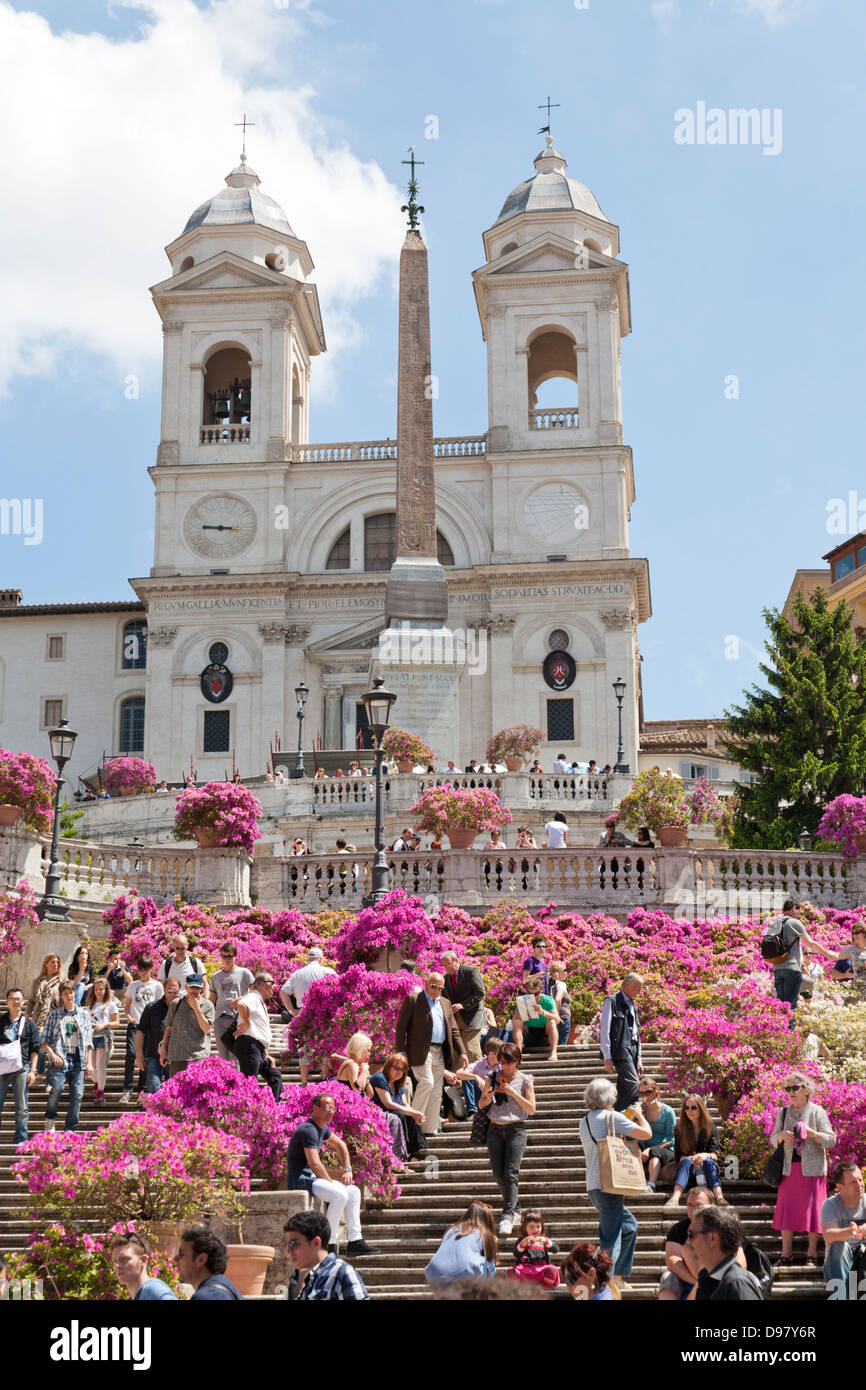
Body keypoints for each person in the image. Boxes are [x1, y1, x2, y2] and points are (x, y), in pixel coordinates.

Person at [579, 1075, 652, 1290]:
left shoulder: (584, 1121)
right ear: (608, 1097)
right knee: (610, 1237)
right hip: (609, 1183)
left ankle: (618, 1276)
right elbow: (646, 1133)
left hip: (593, 1184)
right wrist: (639, 1115)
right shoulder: (612, 1118)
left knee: (629, 1226)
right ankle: (604, 1281)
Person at [286, 1093, 379, 1256]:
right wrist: (330, 1181)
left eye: (333, 1108)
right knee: (340, 1194)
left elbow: (341, 1145)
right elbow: (315, 1164)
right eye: (327, 1108)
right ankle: (329, 1244)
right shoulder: (308, 1130)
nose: (331, 1111)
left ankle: (355, 1241)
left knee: (354, 1192)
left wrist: (348, 1169)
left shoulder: (322, 1129)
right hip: (301, 1179)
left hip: (313, 1178)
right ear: (315, 1109)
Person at [770, 1072, 836, 1267]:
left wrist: (814, 1134)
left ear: (806, 1090)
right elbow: (773, 1139)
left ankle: (812, 1253)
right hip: (789, 1170)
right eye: (787, 1089)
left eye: (794, 1088)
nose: (790, 1092)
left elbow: (831, 1139)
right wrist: (781, 1136)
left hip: (813, 1170)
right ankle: (786, 1254)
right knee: (787, 1211)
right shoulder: (783, 1112)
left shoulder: (817, 1111)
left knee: (815, 1211)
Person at [395, 971, 467, 1136]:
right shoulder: (413, 999)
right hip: (421, 1051)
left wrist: (462, 1052)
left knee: (436, 1090)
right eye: (433, 986)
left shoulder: (446, 1003)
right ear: (426, 983)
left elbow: (454, 1031)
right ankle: (413, 1124)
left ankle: (429, 1129)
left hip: (439, 1050)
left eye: (440, 987)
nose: (436, 990)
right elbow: (401, 1028)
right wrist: (401, 1051)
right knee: (427, 1082)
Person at [479, 1041, 536, 1236]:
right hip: (495, 1129)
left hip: (516, 1129)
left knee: (511, 1173)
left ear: (517, 1061)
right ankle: (516, 1207)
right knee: (497, 1173)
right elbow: (481, 1105)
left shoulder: (525, 1079)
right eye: (503, 1062)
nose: (505, 1066)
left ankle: (508, 1214)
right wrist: (488, 1095)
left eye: (509, 1062)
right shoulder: (492, 1077)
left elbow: (531, 1108)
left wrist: (513, 1093)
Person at [764, 899, 836, 1014]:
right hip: (792, 969)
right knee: (791, 1006)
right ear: (793, 909)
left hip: (777, 968)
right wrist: (827, 953)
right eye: (798, 911)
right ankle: (790, 1031)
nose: (799, 915)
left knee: (781, 1004)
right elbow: (810, 943)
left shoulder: (775, 924)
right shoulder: (794, 923)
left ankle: (780, 1030)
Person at [41, 980, 95, 1132]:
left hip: (78, 1059)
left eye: (71, 993)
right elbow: (44, 1040)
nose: (69, 996)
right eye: (65, 993)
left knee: (77, 1094)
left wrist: (89, 1063)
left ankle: (70, 1127)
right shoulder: (54, 1015)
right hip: (60, 1058)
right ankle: (50, 1118)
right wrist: (52, 1055)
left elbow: (89, 1042)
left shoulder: (84, 1015)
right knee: (57, 1089)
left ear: (75, 993)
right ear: (61, 996)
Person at [284, 1209, 370, 1301]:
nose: (288, 1251)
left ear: (316, 1243)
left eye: (294, 1244)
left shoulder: (342, 1273)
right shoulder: (311, 1279)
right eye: (288, 1244)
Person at [280, 947, 336, 1082]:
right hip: (324, 1014)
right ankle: (324, 1080)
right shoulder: (328, 971)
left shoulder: (298, 974)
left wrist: (291, 1010)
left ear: (308, 958)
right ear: (321, 959)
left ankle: (304, 1082)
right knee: (323, 1047)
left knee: (304, 1048)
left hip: (303, 1013)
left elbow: (283, 991)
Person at [691, 1206, 763, 1300]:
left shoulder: (737, 1283)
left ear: (712, 1238)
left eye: (691, 1234)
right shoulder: (707, 1278)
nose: (689, 1241)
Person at [664, 1094, 723, 1209]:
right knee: (686, 1161)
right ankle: (675, 1198)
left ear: (701, 1108)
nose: (689, 1111)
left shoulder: (711, 1128)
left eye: (693, 1108)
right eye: (687, 1108)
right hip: (688, 1172)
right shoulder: (679, 1129)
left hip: (707, 1170)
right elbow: (678, 1157)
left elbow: (715, 1154)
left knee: (709, 1162)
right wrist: (691, 1158)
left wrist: (704, 1155)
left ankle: (720, 1197)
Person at [119, 956, 163, 1104]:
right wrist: (128, 1017)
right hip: (135, 1024)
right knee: (131, 1054)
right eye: (141, 969)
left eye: (146, 969)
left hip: (150, 1027)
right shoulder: (133, 985)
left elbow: (159, 1006)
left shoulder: (157, 986)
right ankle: (127, 1089)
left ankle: (141, 1091)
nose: (143, 972)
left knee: (145, 1057)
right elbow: (128, 1004)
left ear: (151, 969)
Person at [369, 1051, 427, 1160]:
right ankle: (404, 1152)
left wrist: (416, 1115)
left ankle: (416, 1152)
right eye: (396, 1068)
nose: (399, 1072)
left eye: (402, 1070)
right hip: (379, 1114)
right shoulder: (379, 1078)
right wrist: (413, 1113)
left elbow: (405, 1104)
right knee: (399, 1114)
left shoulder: (398, 1083)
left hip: (393, 1114)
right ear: (388, 1067)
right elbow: (388, 1104)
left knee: (409, 1115)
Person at [658, 1187, 715, 1300]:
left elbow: (739, 1261)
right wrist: (699, 1283)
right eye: (690, 1205)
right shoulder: (679, 1229)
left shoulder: (724, 1227)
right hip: (688, 1279)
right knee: (668, 1277)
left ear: (712, 1206)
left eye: (699, 1205)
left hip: (718, 1278)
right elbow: (672, 1261)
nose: (693, 1210)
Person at [821, 1161, 866, 1300]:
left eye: (860, 1179)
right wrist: (849, 1232)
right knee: (838, 1245)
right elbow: (828, 1236)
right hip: (838, 1266)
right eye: (853, 1182)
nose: (859, 1185)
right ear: (840, 1187)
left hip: (863, 1264)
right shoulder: (830, 1205)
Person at [234, 972, 283, 1100]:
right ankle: (248, 1112)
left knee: (275, 1075)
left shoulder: (260, 1001)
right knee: (250, 1083)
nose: (274, 986)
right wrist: (246, 1023)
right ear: (261, 984)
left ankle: (274, 1107)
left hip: (259, 1049)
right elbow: (241, 1004)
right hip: (249, 1045)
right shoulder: (254, 997)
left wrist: (266, 1053)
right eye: (271, 983)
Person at [0, 987, 40, 1142]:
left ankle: (21, 1138)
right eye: (12, 999)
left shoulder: (29, 1024)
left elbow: (34, 1049)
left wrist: (33, 1070)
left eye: (18, 999)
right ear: (7, 1001)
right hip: (2, 1068)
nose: (15, 1002)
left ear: (23, 1002)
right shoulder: (1, 1022)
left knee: (22, 1106)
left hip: (22, 1067)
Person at [425, 1201, 498, 1284]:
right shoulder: (484, 1233)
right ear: (487, 1220)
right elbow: (489, 1263)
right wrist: (493, 1242)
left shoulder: (452, 1230)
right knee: (490, 1265)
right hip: (466, 1275)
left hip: (433, 1274)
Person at [600, 973, 643, 1110]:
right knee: (634, 1084)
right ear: (627, 984)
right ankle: (638, 1109)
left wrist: (639, 1059)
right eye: (637, 987)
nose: (639, 991)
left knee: (624, 1090)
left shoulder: (633, 1006)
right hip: (621, 1049)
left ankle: (618, 1115)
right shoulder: (611, 1001)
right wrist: (607, 1055)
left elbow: (637, 1032)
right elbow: (605, 1029)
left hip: (633, 1049)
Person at [441, 950, 486, 1082]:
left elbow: (480, 993)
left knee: (471, 1050)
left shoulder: (471, 972)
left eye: (448, 964)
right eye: (444, 965)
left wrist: (463, 1005)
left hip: (472, 1018)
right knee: (457, 1051)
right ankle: (457, 1081)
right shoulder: (445, 978)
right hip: (455, 1020)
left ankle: (480, 1079)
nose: (446, 968)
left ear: (456, 961)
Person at [158, 973, 214, 1076]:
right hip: (177, 1057)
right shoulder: (176, 1004)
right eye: (192, 987)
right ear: (186, 987)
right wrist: (164, 1050)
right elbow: (169, 1029)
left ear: (201, 988)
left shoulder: (208, 1005)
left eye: (197, 988)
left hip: (198, 1057)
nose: (195, 990)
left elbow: (206, 1029)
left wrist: (197, 1009)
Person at [210, 943, 254, 1063]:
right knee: (223, 1056)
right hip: (219, 1018)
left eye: (229, 956)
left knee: (236, 1055)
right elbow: (211, 999)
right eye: (224, 956)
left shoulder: (244, 973)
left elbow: (257, 993)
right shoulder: (216, 976)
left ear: (235, 957)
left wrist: (240, 999)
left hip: (237, 1017)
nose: (226, 959)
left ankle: (238, 1081)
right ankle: (228, 1080)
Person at [136, 976, 180, 1094]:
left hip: (175, 1057)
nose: (172, 994)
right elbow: (140, 1031)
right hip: (154, 1056)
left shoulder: (183, 1008)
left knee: (174, 1092)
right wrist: (139, 1054)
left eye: (175, 991)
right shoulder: (152, 1007)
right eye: (169, 991)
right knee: (153, 1089)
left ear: (179, 991)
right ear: (164, 990)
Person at [176, 1225, 244, 1299]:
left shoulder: (205, 1297)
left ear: (201, 1259)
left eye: (181, 1254)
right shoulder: (228, 1288)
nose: (175, 1259)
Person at [109, 1232, 177, 1301]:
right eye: (114, 1261)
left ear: (144, 1260)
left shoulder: (153, 1290)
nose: (117, 1265)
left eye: (124, 1259)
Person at [636, 1075, 676, 1190]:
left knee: (654, 1153)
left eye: (648, 1092)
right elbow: (623, 1116)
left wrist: (649, 1150)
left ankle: (651, 1185)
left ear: (656, 1091)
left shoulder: (668, 1112)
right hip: (643, 1150)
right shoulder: (641, 1109)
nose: (644, 1096)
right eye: (641, 1093)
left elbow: (671, 1140)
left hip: (664, 1150)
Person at [85, 977, 120, 1103]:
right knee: (90, 1066)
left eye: (101, 989)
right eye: (96, 989)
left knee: (100, 1065)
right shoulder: (90, 1006)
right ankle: (97, 1081)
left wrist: (105, 1024)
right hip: (91, 1037)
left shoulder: (111, 1005)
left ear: (106, 990)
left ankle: (100, 1092)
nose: (99, 992)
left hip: (104, 1037)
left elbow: (117, 1022)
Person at [511, 975, 560, 1062]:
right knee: (517, 1022)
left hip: (543, 1034)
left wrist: (543, 1012)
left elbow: (557, 1019)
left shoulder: (548, 1000)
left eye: (535, 994)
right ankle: (518, 1055)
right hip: (528, 1033)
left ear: (541, 991)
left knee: (552, 1022)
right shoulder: (523, 1000)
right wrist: (523, 1014)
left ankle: (553, 1053)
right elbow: (514, 1020)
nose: (533, 996)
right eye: (530, 994)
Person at [507, 1209, 560, 1287]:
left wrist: (546, 1241)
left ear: (542, 1227)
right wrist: (522, 1244)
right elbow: (516, 1254)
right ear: (525, 1228)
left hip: (541, 1270)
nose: (535, 1230)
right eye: (531, 1226)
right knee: (512, 1270)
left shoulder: (543, 1240)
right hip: (525, 1270)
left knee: (551, 1269)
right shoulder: (522, 1240)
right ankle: (518, 1281)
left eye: (538, 1226)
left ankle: (547, 1281)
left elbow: (556, 1250)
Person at [157, 934, 210, 1001]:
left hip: (191, 1004)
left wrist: (206, 1001)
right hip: (171, 1005)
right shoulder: (166, 964)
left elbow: (205, 984)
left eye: (182, 948)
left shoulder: (196, 963)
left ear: (187, 945)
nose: (180, 951)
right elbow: (160, 986)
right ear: (173, 946)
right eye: (177, 948)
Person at [830, 922, 866, 994]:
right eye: (853, 933)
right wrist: (844, 975)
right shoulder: (849, 950)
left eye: (857, 932)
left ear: (864, 933)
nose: (854, 935)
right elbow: (833, 972)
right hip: (854, 990)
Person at [549, 961, 571, 1050]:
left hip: (553, 1018)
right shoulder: (561, 984)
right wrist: (557, 1016)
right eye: (564, 970)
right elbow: (558, 1000)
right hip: (563, 1017)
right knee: (562, 1045)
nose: (566, 972)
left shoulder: (551, 986)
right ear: (557, 972)